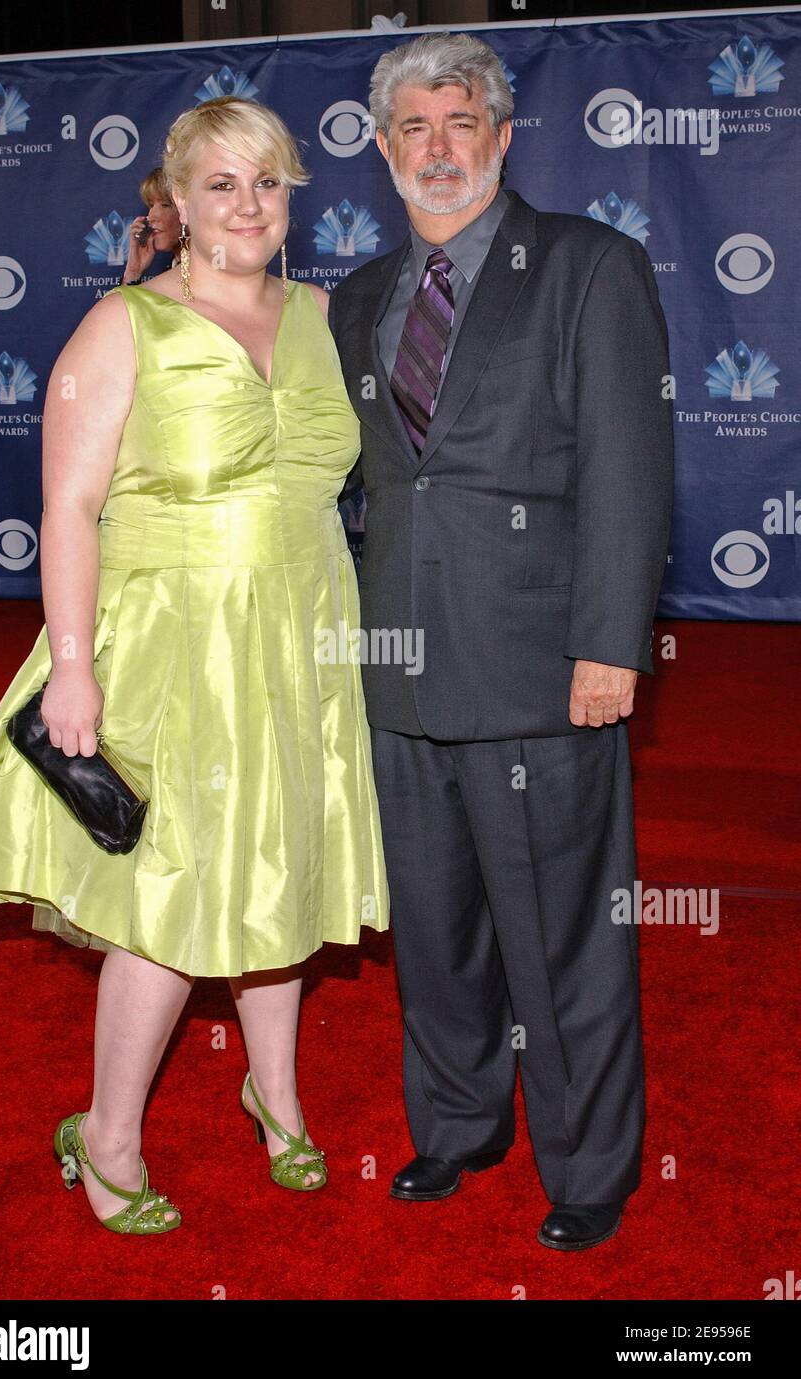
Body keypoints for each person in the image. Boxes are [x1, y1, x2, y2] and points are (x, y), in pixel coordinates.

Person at [0, 96, 389, 1232]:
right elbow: (70, 508)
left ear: (293, 199)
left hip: (302, 637)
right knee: (170, 895)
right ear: (176, 205)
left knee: (284, 863)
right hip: (171, 645)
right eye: (221, 185)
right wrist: (75, 671)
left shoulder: (327, 319)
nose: (247, 204)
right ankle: (106, 1136)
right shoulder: (122, 326)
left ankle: (275, 1095)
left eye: (268, 182)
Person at [329, 32, 674, 1251]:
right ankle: (459, 1124)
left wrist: (609, 646)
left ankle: (586, 1165)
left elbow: (628, 470)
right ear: (380, 149)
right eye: (410, 128)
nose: (436, 149)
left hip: (541, 667)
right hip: (397, 672)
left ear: (502, 134)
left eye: (458, 122)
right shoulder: (360, 296)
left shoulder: (590, 266)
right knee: (433, 922)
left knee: (560, 931)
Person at [121, 166, 182, 287]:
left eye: (165, 205)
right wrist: (133, 272)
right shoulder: (172, 269)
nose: (151, 216)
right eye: (151, 205)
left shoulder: (212, 272)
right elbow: (124, 306)